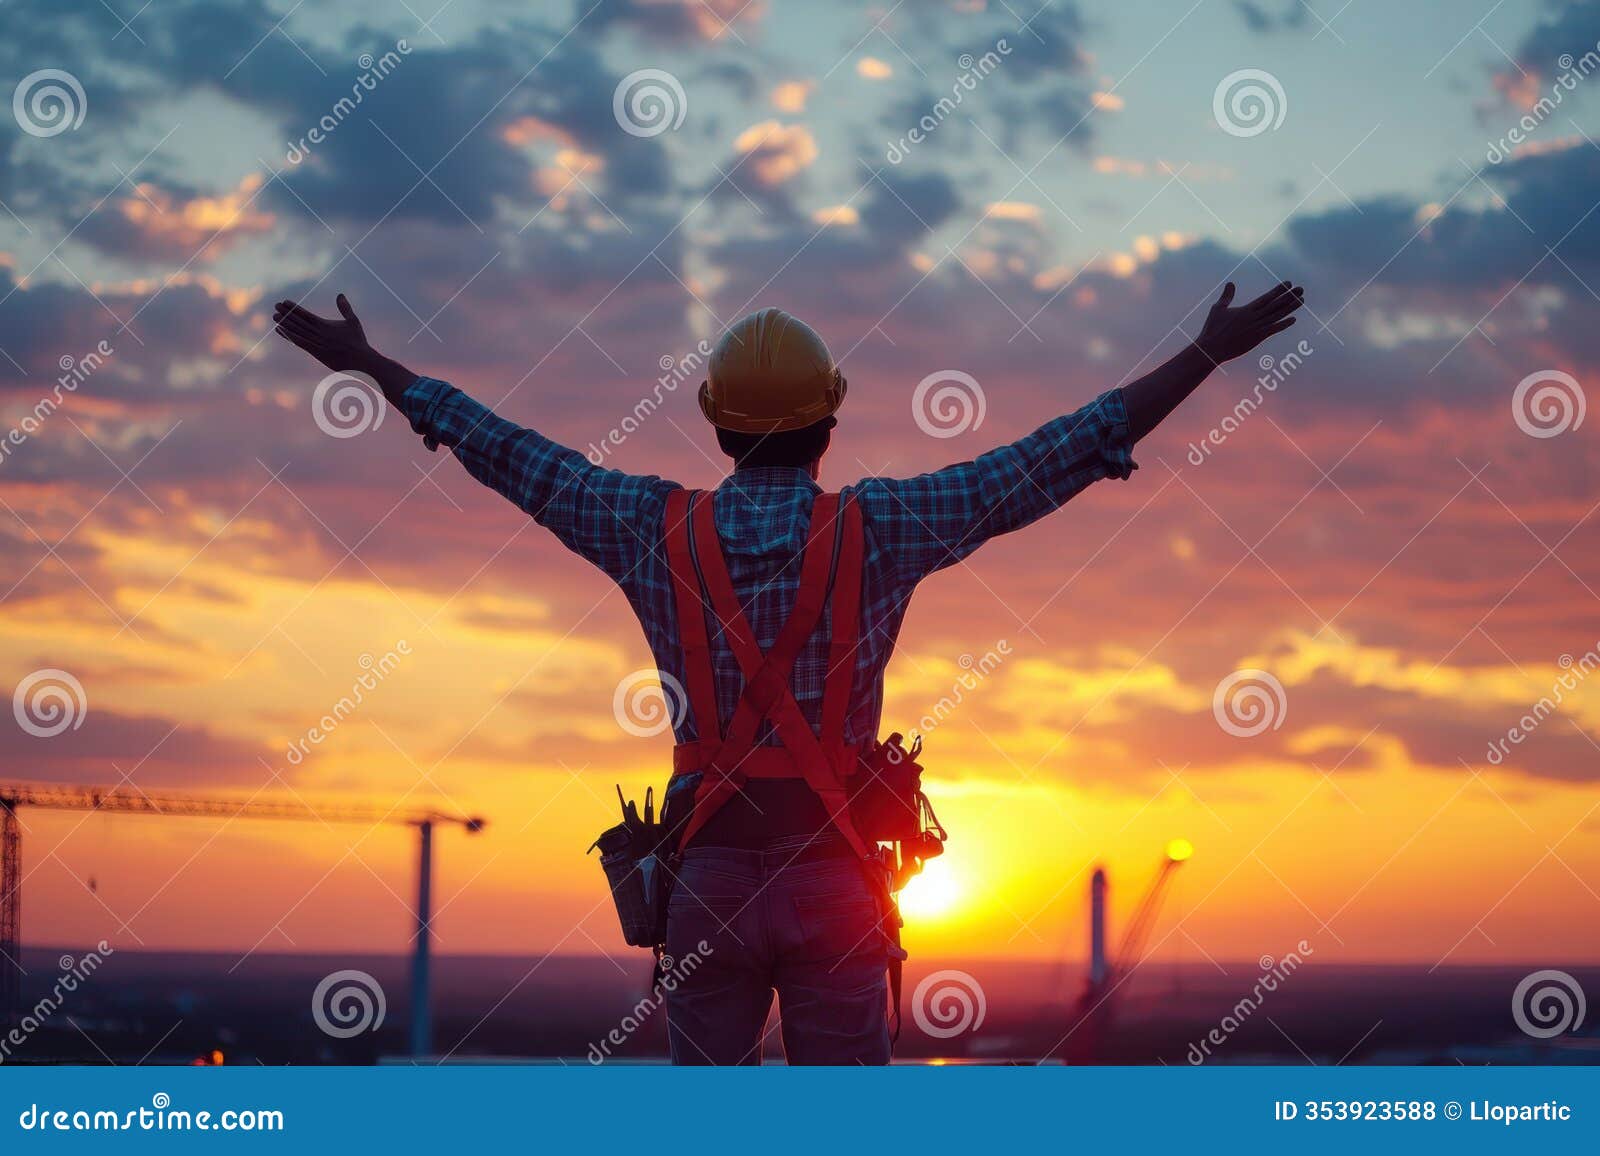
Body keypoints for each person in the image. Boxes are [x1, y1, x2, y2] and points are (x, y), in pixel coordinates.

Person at [272, 280, 1305, 1064]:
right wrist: (1204, 355)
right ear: (829, 421)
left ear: (717, 423)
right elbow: (1060, 451)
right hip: (835, 875)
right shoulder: (884, 527)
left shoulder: (648, 527)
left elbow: (502, 449)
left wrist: (373, 367)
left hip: (707, 880)